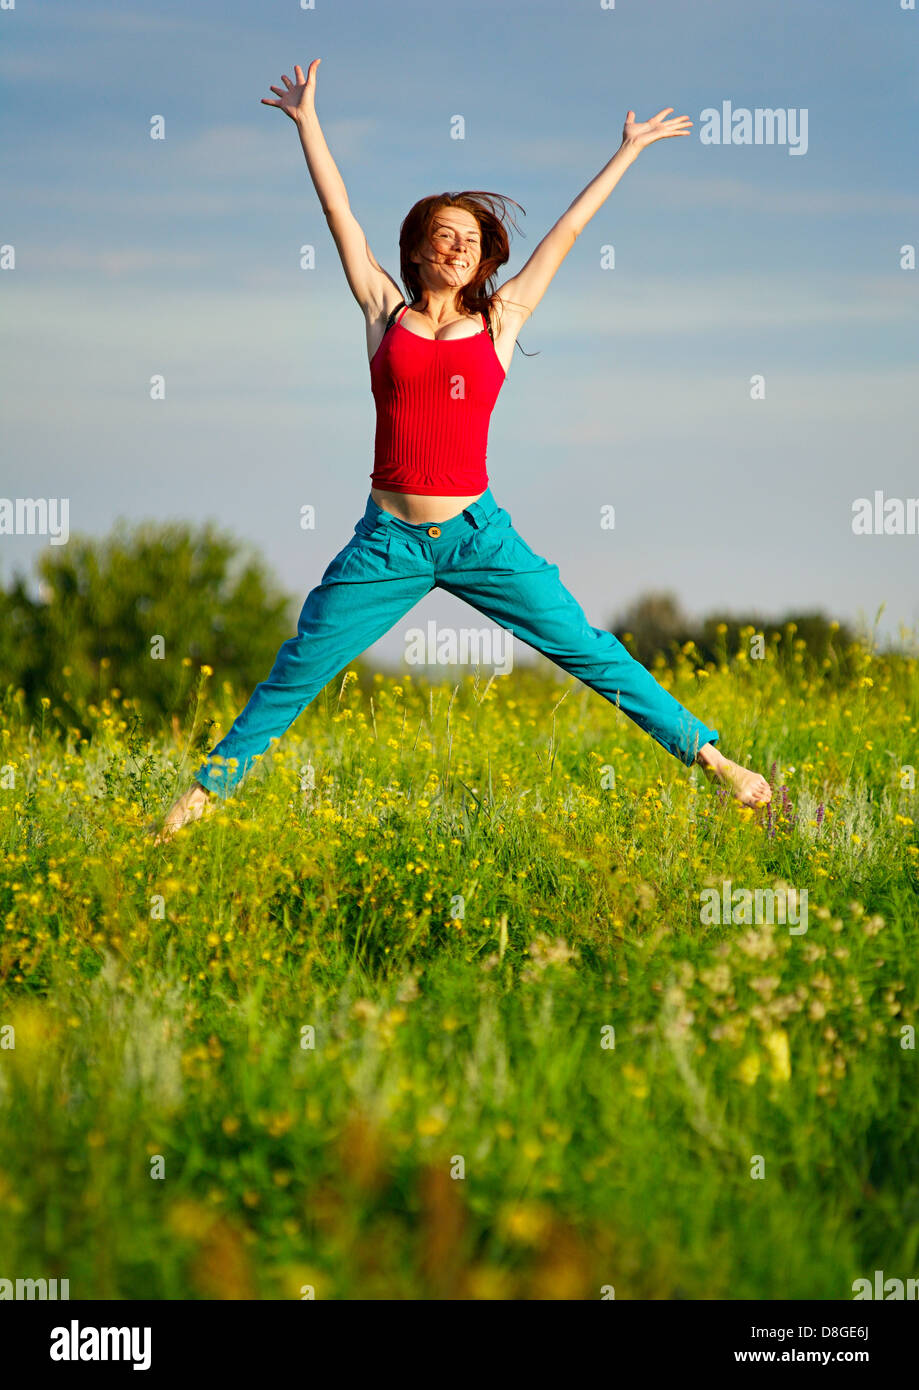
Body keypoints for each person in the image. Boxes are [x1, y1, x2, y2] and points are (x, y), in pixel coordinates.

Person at [156, 60, 771, 841]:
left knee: (590, 652)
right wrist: (308, 123)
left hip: (480, 538)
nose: (453, 247)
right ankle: (189, 811)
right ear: (415, 250)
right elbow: (339, 216)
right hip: (388, 545)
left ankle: (723, 770)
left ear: (482, 261)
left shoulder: (500, 322)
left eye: (469, 241)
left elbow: (568, 233)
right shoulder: (383, 311)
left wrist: (629, 149)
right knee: (295, 674)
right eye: (440, 236)